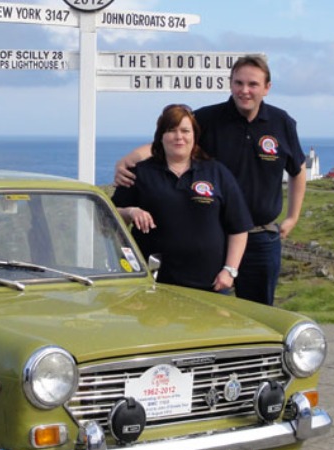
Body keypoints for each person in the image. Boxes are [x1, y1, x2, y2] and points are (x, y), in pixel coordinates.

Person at [114, 55, 307, 306]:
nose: (244, 90)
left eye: (253, 84)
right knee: (212, 312)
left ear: (267, 88)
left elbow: (298, 169)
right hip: (215, 235)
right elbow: (173, 139)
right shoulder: (208, 118)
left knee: (260, 315)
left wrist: (293, 217)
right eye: (238, 83)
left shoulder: (282, 123)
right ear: (230, 84)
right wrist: (127, 161)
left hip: (260, 236)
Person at [112, 103, 251, 294]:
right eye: (171, 130)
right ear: (160, 136)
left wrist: (230, 271)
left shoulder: (217, 172)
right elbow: (110, 218)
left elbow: (239, 227)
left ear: (194, 135)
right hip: (153, 283)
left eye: (185, 130)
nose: (179, 137)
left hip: (210, 285)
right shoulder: (141, 173)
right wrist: (130, 211)